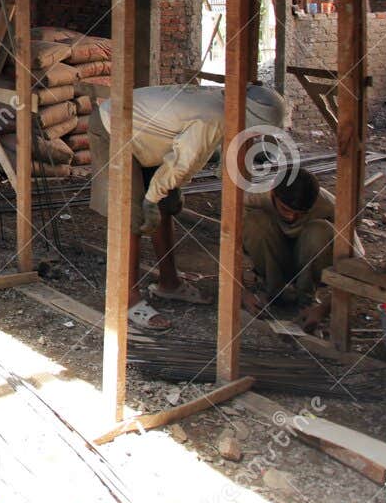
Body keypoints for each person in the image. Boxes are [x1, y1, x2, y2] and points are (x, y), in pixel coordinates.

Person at [88, 83, 287, 332]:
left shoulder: (227, 102)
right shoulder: (213, 119)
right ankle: (128, 299)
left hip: (148, 136)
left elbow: (190, 157)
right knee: (133, 215)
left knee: (166, 205)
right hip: (113, 127)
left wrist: (158, 196)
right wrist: (150, 199)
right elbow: (183, 164)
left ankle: (169, 283)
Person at [242, 166, 335, 327]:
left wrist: (324, 309)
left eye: (301, 214)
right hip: (272, 260)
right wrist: (241, 293)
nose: (292, 217)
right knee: (255, 221)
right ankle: (271, 290)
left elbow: (354, 266)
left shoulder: (330, 206)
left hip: (308, 263)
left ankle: (306, 299)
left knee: (321, 230)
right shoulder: (253, 198)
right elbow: (228, 244)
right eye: (286, 210)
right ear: (272, 193)